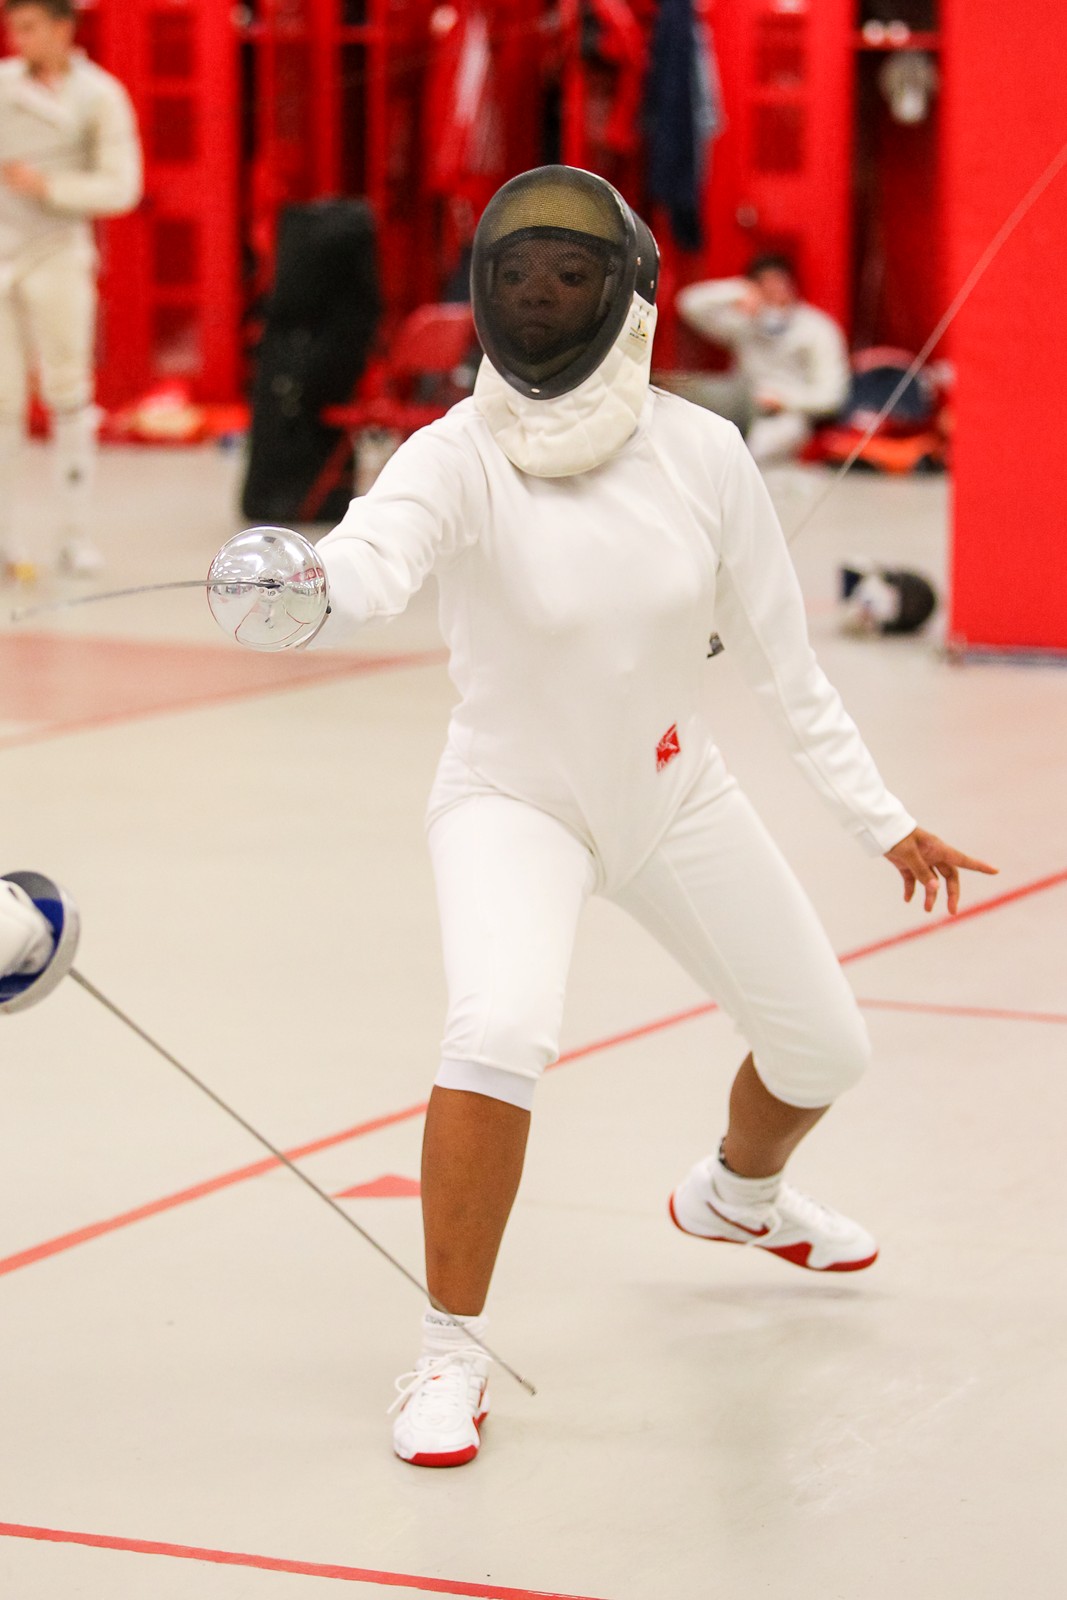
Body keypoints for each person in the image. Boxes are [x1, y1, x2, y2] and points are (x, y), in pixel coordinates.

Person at [300, 167, 995, 1468]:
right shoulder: (455, 456)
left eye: (570, 275)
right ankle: (447, 1355)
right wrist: (307, 583)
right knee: (498, 1024)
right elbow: (370, 561)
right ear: (486, 294)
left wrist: (880, 820)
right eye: (518, 277)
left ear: (627, 297)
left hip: (673, 787)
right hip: (515, 800)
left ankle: (734, 1200)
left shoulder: (701, 452)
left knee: (823, 1053)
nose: (542, 297)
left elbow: (790, 668)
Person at [0, 0, 143, 582]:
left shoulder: (99, 96)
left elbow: (122, 186)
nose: (18, 38)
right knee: (2, 403)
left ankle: (75, 534)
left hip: (59, 257)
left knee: (67, 395)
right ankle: (6, 538)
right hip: (0, 256)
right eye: (13, 26)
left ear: (63, 28)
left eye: (30, 26)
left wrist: (48, 184)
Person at [673, 252, 850, 466]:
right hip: (739, 404)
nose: (775, 295)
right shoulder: (744, 323)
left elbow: (831, 396)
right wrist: (738, 292)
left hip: (786, 416)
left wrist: (783, 400)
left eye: (779, 286)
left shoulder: (817, 329)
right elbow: (687, 303)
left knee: (755, 448)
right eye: (766, 289)